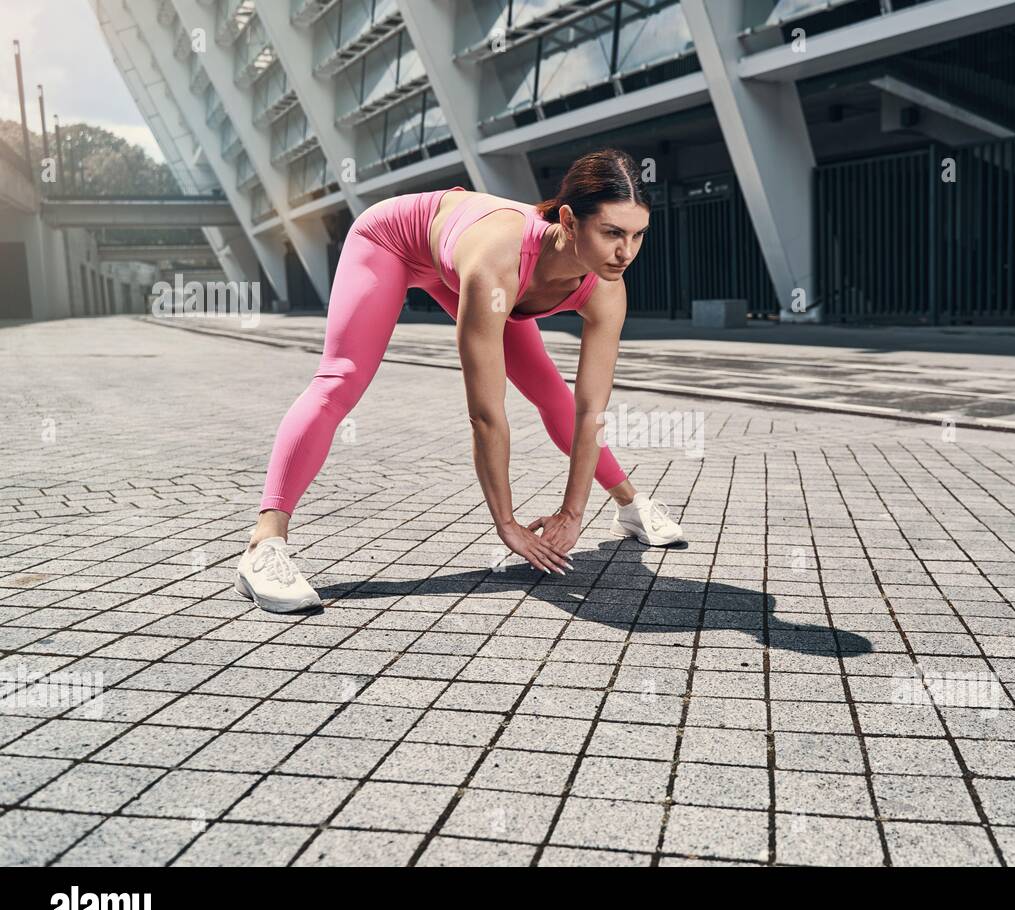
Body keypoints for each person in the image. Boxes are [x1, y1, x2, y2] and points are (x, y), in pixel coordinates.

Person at [234, 148, 686, 613]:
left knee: (553, 393)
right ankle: (264, 544)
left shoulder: (608, 289)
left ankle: (630, 506)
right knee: (340, 379)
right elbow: (486, 415)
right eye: (612, 232)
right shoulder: (499, 262)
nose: (626, 252)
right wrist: (506, 523)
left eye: (638, 235)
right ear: (569, 221)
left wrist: (573, 514)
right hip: (392, 240)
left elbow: (590, 411)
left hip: (459, 254)